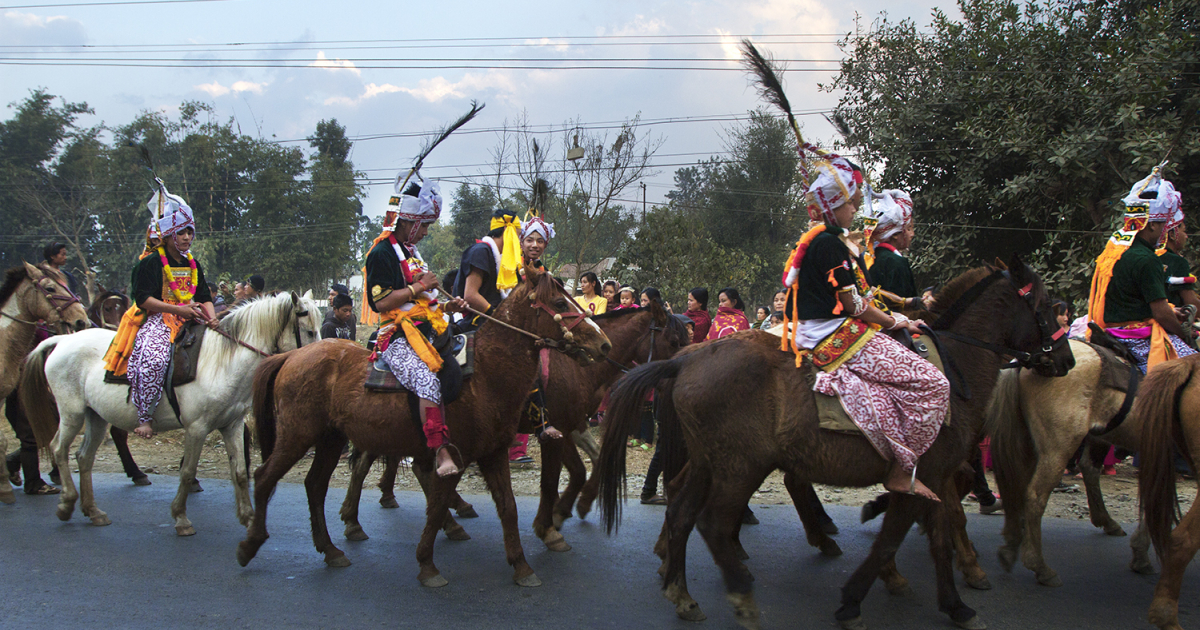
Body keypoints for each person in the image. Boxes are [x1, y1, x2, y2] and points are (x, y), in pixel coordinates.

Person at [779, 151, 948, 501]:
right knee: (934, 383)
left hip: (826, 326)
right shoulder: (829, 243)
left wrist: (899, 312)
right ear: (834, 205)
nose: (856, 210)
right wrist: (895, 320)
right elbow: (854, 305)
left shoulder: (828, 238)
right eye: (851, 203)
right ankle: (902, 470)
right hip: (833, 333)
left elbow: (863, 296)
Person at [364, 180, 468, 477]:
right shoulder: (382, 253)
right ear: (408, 222)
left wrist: (448, 307)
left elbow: (422, 303)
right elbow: (381, 302)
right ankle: (440, 450)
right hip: (396, 336)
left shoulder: (410, 252)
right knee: (426, 380)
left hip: (427, 330)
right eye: (424, 226)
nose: (425, 232)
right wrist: (419, 286)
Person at [102, 184, 219, 440]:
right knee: (153, 359)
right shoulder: (152, 262)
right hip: (159, 319)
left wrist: (212, 319)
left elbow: (203, 296)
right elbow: (144, 299)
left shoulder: (193, 263)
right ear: (167, 236)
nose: (187, 237)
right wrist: (178, 309)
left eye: (190, 232)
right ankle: (145, 417)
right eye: (181, 232)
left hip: (192, 315)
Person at [1089, 164, 1197, 374]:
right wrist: (1183, 333)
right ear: (1151, 225)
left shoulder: (1112, 251)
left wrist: (1172, 310)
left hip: (1108, 330)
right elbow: (1161, 314)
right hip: (1135, 337)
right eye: (1163, 224)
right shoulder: (1148, 259)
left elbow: (1132, 301)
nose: (1165, 230)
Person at [507, 212, 566, 465]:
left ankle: (520, 445)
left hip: (531, 334)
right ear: (521, 241)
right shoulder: (510, 264)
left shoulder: (544, 272)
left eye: (540, 241)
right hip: (506, 329)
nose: (534, 245)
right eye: (530, 240)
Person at [452, 208, 522, 331]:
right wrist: (496, 315)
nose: (518, 241)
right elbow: (471, 295)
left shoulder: (505, 260)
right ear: (507, 230)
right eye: (517, 236)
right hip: (476, 322)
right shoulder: (480, 251)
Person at [864, 189, 931, 310]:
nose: (912, 234)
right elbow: (907, 307)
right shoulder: (896, 262)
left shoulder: (870, 257)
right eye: (909, 228)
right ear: (895, 234)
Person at [1161, 208, 1200, 312]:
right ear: (1172, 235)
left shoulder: (1148, 255)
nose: (1186, 236)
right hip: (1171, 317)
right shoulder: (1177, 261)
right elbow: (1191, 303)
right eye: (1184, 231)